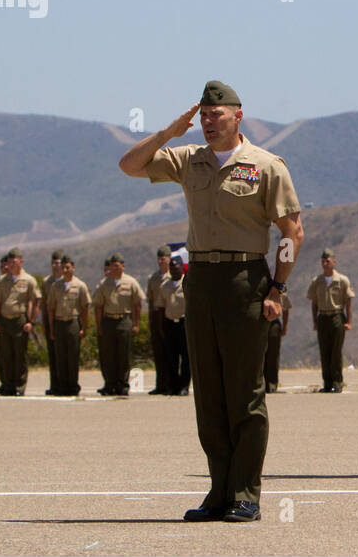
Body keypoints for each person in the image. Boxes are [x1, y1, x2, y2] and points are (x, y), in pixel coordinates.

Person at [118, 80, 303, 524]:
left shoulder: (265, 165)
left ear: (238, 116)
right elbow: (129, 164)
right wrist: (168, 132)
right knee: (209, 393)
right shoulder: (188, 159)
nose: (207, 122)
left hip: (246, 278)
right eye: (202, 115)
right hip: (200, 278)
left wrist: (278, 288)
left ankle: (246, 494)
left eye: (215, 115)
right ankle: (218, 493)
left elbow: (292, 232)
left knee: (245, 392)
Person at [92, 253, 145, 396]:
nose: (114, 268)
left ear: (123, 266)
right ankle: (110, 384)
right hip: (108, 320)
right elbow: (98, 306)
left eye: (117, 265)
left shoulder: (130, 282)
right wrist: (99, 325)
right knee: (108, 355)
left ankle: (123, 385)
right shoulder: (104, 284)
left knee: (123, 355)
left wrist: (136, 324)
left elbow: (137, 304)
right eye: (112, 265)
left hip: (124, 320)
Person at [0, 248, 40, 396]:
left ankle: (19, 386)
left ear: (21, 261)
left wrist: (31, 321)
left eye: (14, 262)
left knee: (20, 355)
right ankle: (7, 385)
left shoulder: (28, 280)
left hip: (20, 320)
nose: (11, 265)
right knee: (6, 355)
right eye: (10, 262)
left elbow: (34, 301)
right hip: (5, 320)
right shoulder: (1, 281)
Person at [308, 249, 354, 393]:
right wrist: (315, 321)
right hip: (323, 318)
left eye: (328, 261)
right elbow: (314, 302)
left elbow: (348, 302)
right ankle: (327, 383)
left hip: (337, 317)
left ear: (334, 261)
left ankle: (338, 382)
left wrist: (349, 322)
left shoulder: (341, 280)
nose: (325, 263)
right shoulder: (317, 281)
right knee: (324, 351)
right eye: (323, 261)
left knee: (336, 352)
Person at [47, 254, 90, 396]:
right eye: (63, 267)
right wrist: (52, 329)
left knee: (73, 356)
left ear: (73, 268)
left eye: (68, 267)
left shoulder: (80, 285)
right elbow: (51, 308)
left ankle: (73, 386)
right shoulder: (56, 286)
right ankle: (62, 386)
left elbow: (85, 307)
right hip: (59, 322)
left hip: (72, 322)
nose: (65, 270)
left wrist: (84, 327)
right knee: (60, 356)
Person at [160, 254, 191, 395]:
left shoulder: (188, 284)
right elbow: (161, 306)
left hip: (184, 323)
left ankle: (184, 386)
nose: (174, 270)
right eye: (171, 267)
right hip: (170, 323)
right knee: (171, 357)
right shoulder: (164, 286)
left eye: (176, 267)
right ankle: (172, 385)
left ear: (181, 268)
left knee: (186, 357)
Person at [146, 245, 173, 395]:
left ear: (169, 259)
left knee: (170, 352)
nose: (161, 261)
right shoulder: (153, 278)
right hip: (156, 315)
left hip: (168, 315)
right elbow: (150, 299)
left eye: (164, 258)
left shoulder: (174, 276)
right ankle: (160, 384)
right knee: (158, 352)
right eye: (159, 259)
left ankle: (170, 383)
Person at [40, 250, 65, 396]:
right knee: (53, 354)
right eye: (54, 263)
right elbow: (43, 304)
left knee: (64, 355)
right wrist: (44, 324)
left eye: (59, 263)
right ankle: (54, 385)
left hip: (63, 319)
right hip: (50, 321)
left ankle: (64, 384)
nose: (56, 266)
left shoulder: (68, 281)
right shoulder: (46, 282)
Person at [264, 289, 292, 394]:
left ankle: (271, 384)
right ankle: (260, 383)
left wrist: (284, 327)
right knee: (259, 355)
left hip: (273, 324)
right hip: (259, 324)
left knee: (273, 355)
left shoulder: (277, 291)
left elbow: (285, 309)